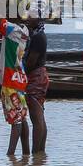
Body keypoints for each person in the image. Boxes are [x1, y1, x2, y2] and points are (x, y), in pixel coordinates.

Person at [0, 17, 30, 155]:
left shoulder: (11, 29)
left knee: (16, 120)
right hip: (20, 78)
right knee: (22, 118)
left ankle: (10, 155)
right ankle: (26, 154)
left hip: (10, 79)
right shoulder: (24, 30)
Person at [22, 15, 48, 152]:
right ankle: (40, 155)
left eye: (30, 16)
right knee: (40, 116)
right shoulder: (38, 34)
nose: (27, 18)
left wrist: (21, 74)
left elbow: (31, 61)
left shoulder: (38, 37)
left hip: (36, 76)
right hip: (40, 75)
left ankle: (36, 152)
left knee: (36, 116)